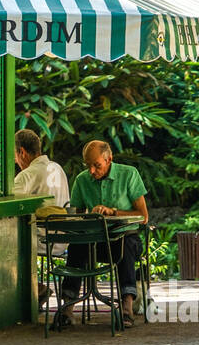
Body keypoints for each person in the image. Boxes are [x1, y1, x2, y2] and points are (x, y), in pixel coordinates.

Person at [61, 140, 148, 328]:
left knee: (125, 247)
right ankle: (67, 307)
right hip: (95, 241)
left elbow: (143, 216)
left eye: (97, 165)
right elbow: (77, 215)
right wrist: (84, 218)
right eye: (88, 165)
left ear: (109, 160)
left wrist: (113, 212)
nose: (92, 171)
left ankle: (127, 307)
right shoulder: (82, 180)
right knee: (76, 246)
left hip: (124, 238)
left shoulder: (128, 174)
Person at [13, 129, 70, 306]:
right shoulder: (57, 168)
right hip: (64, 238)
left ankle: (36, 288)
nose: (15, 161)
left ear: (22, 152)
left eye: (15, 155)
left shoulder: (27, 175)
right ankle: (37, 288)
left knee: (2, 246)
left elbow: (13, 205)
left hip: (42, 239)